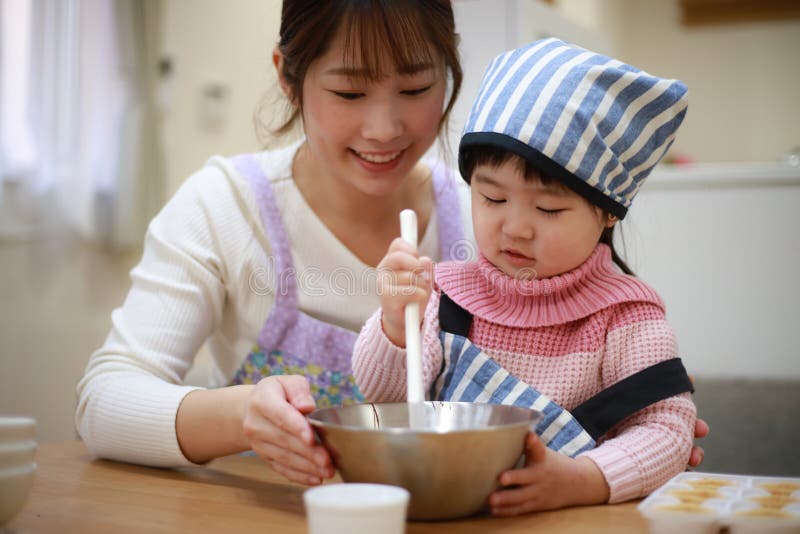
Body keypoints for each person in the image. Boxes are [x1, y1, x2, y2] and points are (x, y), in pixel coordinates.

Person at [76, 1, 707, 486]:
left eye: (414, 89)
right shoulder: (226, 208)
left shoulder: (489, 211)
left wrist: (614, 442)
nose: (385, 129)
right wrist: (242, 415)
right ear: (290, 79)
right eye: (349, 92)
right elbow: (103, 401)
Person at [352, 38, 699, 515]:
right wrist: (395, 323)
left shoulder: (625, 317)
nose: (515, 227)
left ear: (607, 213)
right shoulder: (448, 295)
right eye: (492, 199)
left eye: (548, 207)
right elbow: (385, 394)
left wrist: (582, 479)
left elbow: (667, 431)